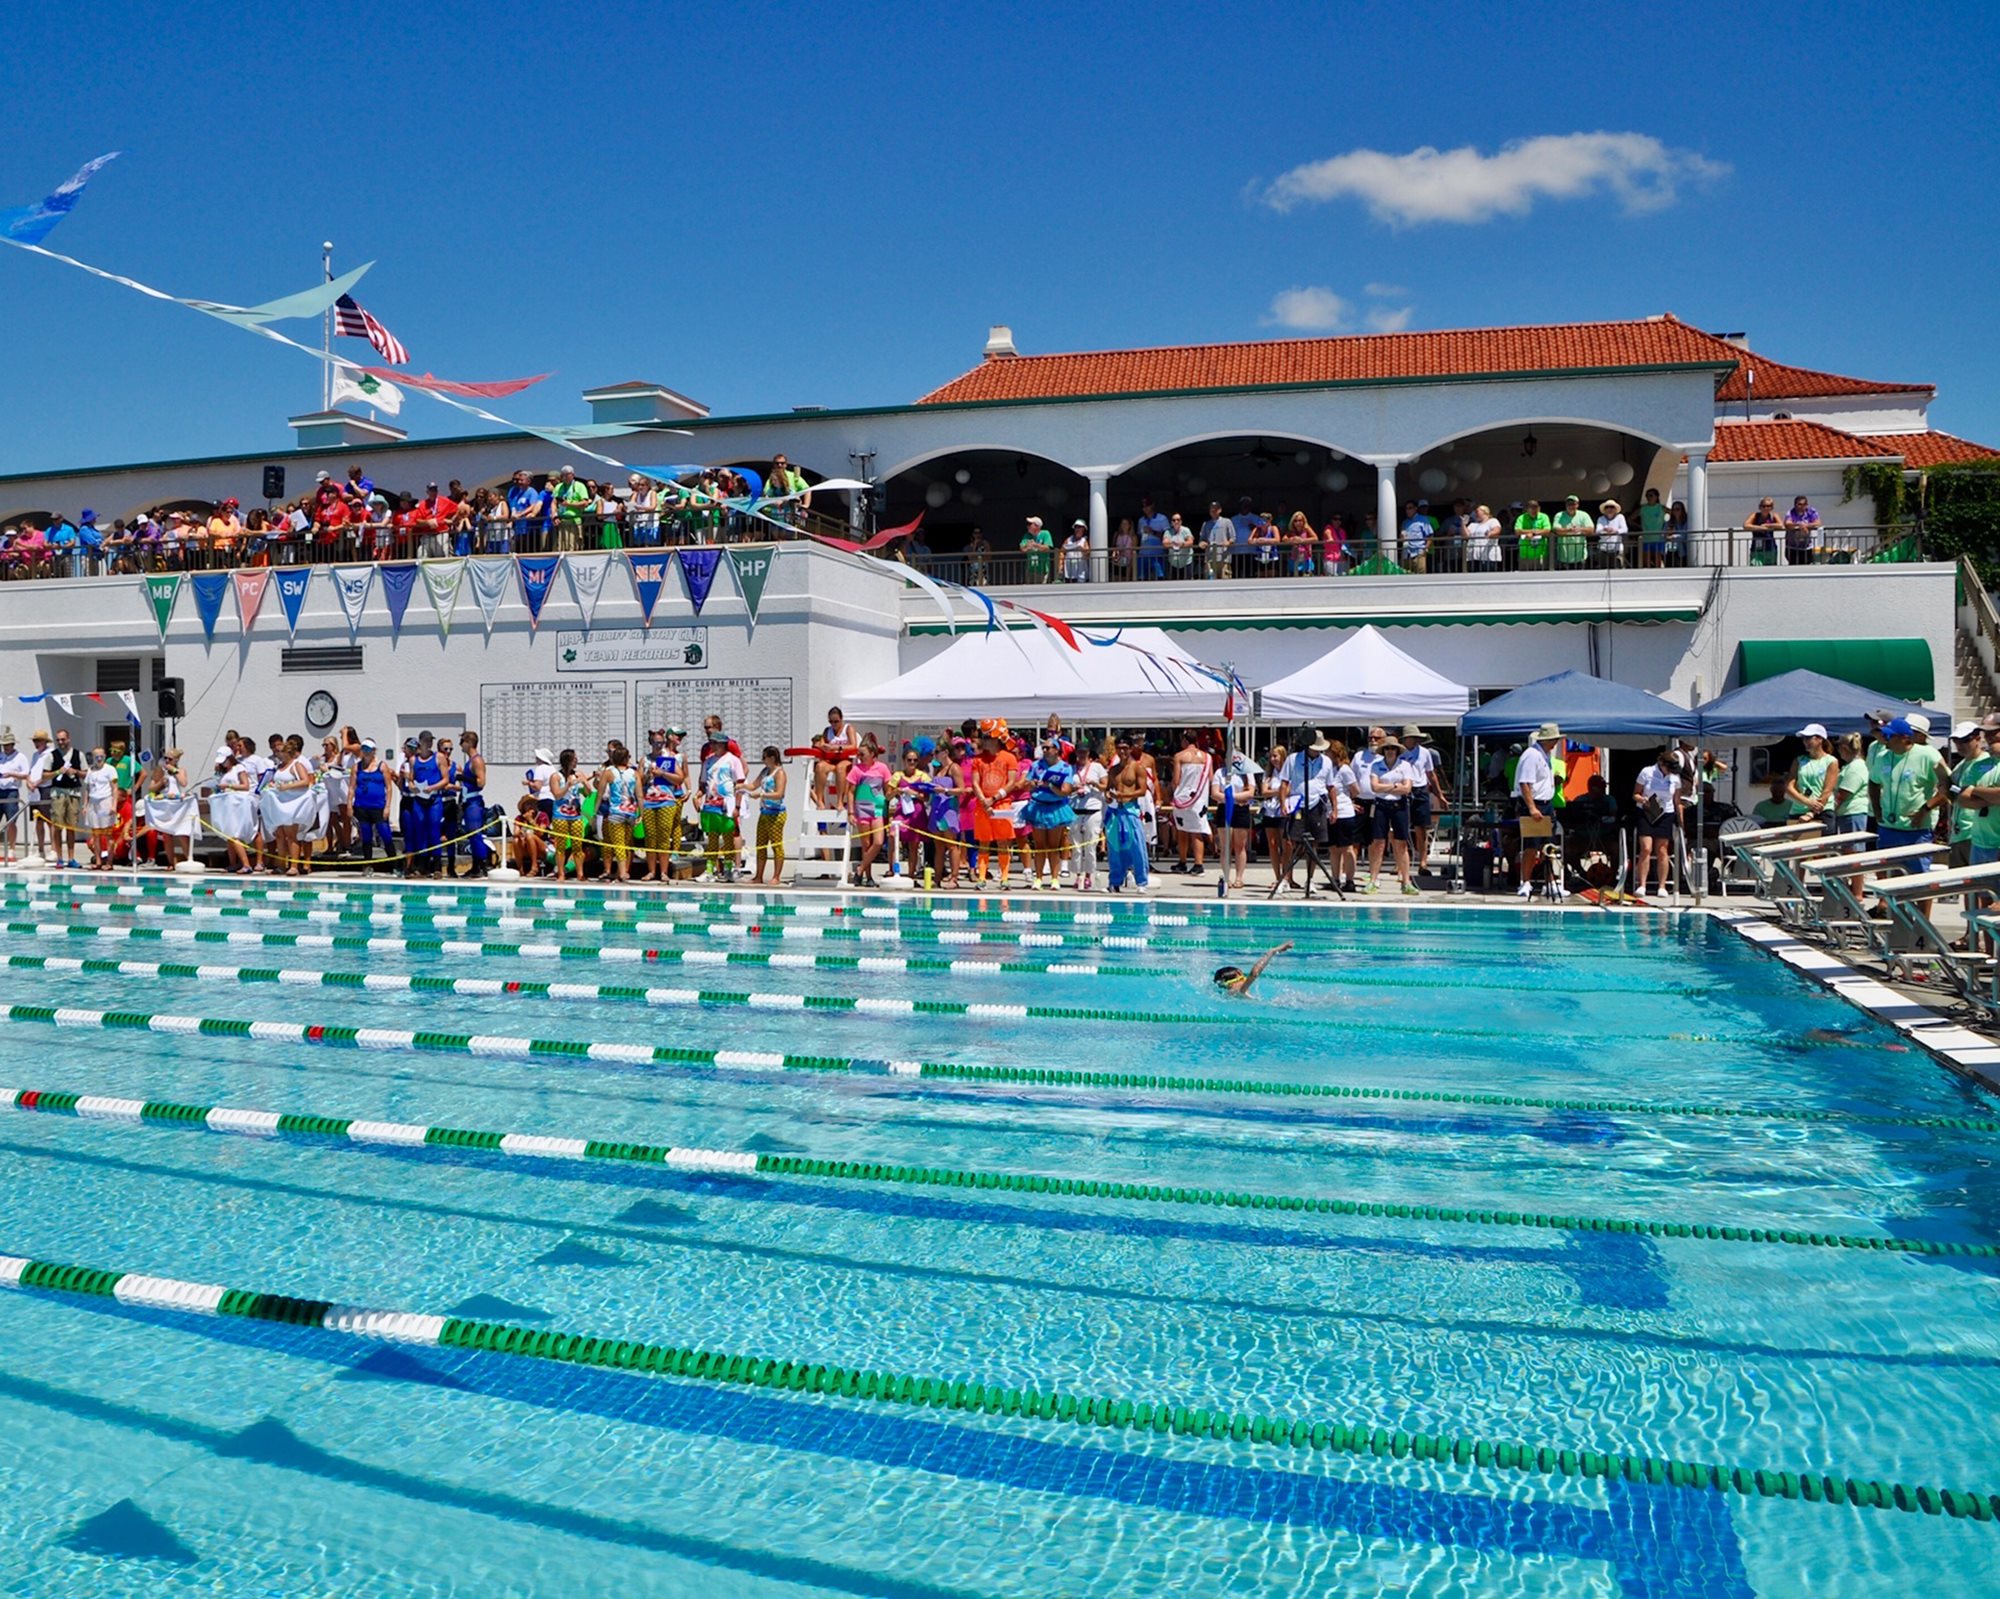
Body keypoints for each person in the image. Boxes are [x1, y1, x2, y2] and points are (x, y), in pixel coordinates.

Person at [1274, 732, 1337, 898]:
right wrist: (1282, 803)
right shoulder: (1293, 759)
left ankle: (1310, 880)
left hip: (1318, 804)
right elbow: (1284, 782)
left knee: (1313, 844)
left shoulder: (1327, 762)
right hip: (1298, 803)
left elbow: (1331, 786)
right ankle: (1285, 879)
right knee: (1289, 842)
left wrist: (1334, 809)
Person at [1019, 734, 1077, 890]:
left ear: (1056, 750)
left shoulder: (1065, 767)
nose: (1044, 750)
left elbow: (1065, 791)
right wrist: (1032, 783)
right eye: (1043, 748)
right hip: (1038, 806)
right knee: (1039, 845)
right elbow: (1026, 784)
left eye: (1048, 748)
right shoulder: (1036, 765)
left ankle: (1054, 878)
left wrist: (1050, 785)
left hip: (1056, 807)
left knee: (1053, 844)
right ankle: (1038, 878)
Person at [1364, 735, 1419, 895]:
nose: (1390, 751)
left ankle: (1406, 881)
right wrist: (1396, 786)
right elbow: (1374, 787)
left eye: (1393, 748)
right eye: (1387, 748)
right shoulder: (1376, 765)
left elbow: (1407, 789)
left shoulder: (1405, 766)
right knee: (1378, 843)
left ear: (1397, 750)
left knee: (1400, 843)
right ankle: (1373, 880)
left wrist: (1385, 786)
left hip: (1399, 805)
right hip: (1381, 805)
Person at [970, 725, 1022, 887]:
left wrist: (994, 798)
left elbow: (1012, 782)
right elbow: (974, 782)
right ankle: (982, 877)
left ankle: (1004, 877)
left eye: (987, 738)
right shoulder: (978, 759)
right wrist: (983, 800)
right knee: (983, 842)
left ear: (996, 740)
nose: (984, 741)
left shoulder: (1009, 757)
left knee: (1003, 842)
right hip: (982, 805)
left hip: (1002, 804)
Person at [1514, 722, 1562, 899]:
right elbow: (1525, 782)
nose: (1556, 742)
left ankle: (1549, 882)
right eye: (1554, 739)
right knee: (1531, 847)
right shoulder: (1532, 755)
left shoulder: (1546, 755)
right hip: (1535, 805)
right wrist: (1532, 807)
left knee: (1548, 847)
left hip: (1546, 804)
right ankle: (1525, 882)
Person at [1633, 749, 1685, 898]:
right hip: (1647, 812)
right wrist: (1643, 800)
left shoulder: (1674, 778)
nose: (1670, 772)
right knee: (1646, 849)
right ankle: (1642, 884)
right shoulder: (1647, 772)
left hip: (1665, 814)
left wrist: (1681, 821)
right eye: (1669, 769)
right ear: (1662, 764)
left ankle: (1662, 886)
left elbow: (1677, 801)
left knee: (1662, 850)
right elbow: (1635, 793)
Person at [842, 732, 890, 886]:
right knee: (866, 844)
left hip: (877, 807)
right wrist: (850, 812)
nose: (860, 756)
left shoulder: (882, 768)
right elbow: (850, 792)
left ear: (872, 754)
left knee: (878, 842)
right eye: (859, 754)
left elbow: (888, 789)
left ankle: (860, 869)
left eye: (862, 754)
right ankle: (868, 877)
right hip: (862, 808)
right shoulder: (857, 770)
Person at [1104, 737, 1150, 893]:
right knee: (1115, 848)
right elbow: (1108, 788)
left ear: (1130, 749)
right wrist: (1108, 796)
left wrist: (1123, 796)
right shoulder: (1113, 770)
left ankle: (1141, 882)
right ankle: (1115, 880)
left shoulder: (1137, 768)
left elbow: (1142, 790)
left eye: (1125, 748)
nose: (1122, 751)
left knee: (1137, 847)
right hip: (1116, 811)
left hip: (1131, 811)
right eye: (1119, 748)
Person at [1214, 744, 1262, 891]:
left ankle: (1239, 877)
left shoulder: (1247, 774)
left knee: (1239, 846)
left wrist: (1230, 797)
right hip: (1224, 809)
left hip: (1241, 810)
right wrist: (1233, 798)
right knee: (1225, 846)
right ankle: (1226, 876)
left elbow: (1250, 794)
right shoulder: (1220, 773)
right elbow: (1215, 793)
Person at [1169, 733, 1214, 875]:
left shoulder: (1180, 756)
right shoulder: (1207, 757)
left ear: (1185, 740)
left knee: (1182, 830)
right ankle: (1198, 863)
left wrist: (1172, 792)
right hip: (1200, 798)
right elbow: (1211, 778)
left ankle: (1183, 861)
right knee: (1197, 830)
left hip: (1183, 797)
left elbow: (1176, 780)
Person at [1066, 740, 1107, 891]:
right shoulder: (1071, 769)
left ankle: (1089, 875)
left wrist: (1093, 784)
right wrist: (1074, 787)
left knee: (1090, 845)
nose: (1082, 755)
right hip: (1076, 809)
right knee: (1076, 846)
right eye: (1079, 752)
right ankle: (1078, 876)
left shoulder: (1097, 767)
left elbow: (1105, 786)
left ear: (1089, 753)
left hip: (1093, 810)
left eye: (1085, 752)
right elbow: (1065, 789)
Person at [1785, 724, 1838, 829]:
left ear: (1820, 739)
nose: (1805, 741)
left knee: (1825, 845)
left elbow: (1827, 791)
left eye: (1809, 738)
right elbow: (1789, 786)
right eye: (1804, 738)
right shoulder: (1799, 760)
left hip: (1822, 812)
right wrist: (1807, 801)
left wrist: (1811, 813)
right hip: (1798, 811)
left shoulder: (1831, 761)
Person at [749, 746, 788, 884]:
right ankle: (758, 876)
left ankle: (776, 876)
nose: (762, 760)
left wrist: (761, 794)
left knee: (776, 845)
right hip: (764, 813)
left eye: (764, 757)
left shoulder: (780, 773)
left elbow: (779, 794)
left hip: (776, 814)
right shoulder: (765, 771)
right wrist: (740, 786)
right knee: (761, 845)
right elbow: (754, 785)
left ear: (772, 758)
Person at [811, 706, 858, 807]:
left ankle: (840, 800)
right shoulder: (827, 731)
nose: (833, 724)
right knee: (820, 767)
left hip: (845, 759)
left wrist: (836, 747)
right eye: (831, 721)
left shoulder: (848, 728)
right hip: (831, 760)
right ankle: (819, 800)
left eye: (836, 721)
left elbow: (853, 745)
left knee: (841, 768)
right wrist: (822, 746)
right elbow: (822, 744)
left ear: (841, 719)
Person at [1831, 732, 1872, 849]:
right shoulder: (1850, 766)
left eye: (1839, 747)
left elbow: (1842, 795)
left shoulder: (1855, 767)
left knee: (1854, 850)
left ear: (1844, 748)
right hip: (1847, 813)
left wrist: (1829, 809)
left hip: (1853, 814)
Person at [82, 747, 119, 869]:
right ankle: (98, 861)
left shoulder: (110, 770)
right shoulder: (90, 771)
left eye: (101, 756)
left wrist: (114, 805)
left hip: (105, 801)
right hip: (93, 802)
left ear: (104, 756)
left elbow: (114, 788)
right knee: (95, 834)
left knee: (108, 834)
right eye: (96, 757)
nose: (99, 759)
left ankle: (109, 862)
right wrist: (85, 805)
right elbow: (87, 789)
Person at [1212, 941, 1293, 996]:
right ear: (1238, 974)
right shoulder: (1239, 990)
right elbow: (1254, 973)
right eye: (1243, 976)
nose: (1245, 979)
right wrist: (1272, 951)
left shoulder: (1229, 994)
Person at [1552, 495, 1593, 568]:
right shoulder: (1559, 515)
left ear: (1577, 505)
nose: (1571, 506)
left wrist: (1579, 529)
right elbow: (1556, 530)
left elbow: (1591, 530)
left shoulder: (1584, 515)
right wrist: (1569, 530)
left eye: (1573, 504)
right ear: (1566, 505)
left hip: (1580, 557)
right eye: (1569, 504)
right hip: (1564, 557)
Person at [1200, 502, 1236, 579]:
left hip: (1224, 557)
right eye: (1211, 510)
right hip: (1210, 558)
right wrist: (1202, 543)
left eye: (1215, 509)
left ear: (1220, 510)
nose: (1213, 511)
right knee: (1210, 580)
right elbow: (1202, 539)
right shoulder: (1206, 524)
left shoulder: (1227, 522)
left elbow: (1233, 537)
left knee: (1225, 579)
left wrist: (1228, 542)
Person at [1783, 495, 1821, 565]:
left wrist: (1805, 525)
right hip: (1792, 546)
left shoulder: (1811, 511)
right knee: (1793, 566)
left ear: (1807, 505)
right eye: (1799, 504)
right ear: (1795, 505)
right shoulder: (1791, 512)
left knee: (1807, 566)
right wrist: (1799, 525)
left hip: (1806, 546)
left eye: (1804, 504)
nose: (1801, 507)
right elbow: (1787, 523)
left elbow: (1817, 523)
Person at [1744, 498, 1782, 565]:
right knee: (1755, 566)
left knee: (1770, 568)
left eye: (1768, 506)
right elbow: (1746, 525)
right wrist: (1760, 528)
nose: (1765, 508)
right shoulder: (1755, 515)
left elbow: (1781, 525)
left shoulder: (1773, 516)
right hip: (1756, 548)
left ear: (1772, 507)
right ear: (1760, 507)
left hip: (1770, 547)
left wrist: (1768, 525)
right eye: (1763, 506)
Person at [1513, 500, 1551, 569]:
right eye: (1531, 508)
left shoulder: (1544, 517)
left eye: (1535, 508)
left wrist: (1533, 533)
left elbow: (1547, 530)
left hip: (1541, 554)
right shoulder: (1521, 518)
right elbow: (1517, 531)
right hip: (1524, 554)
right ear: (1527, 509)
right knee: (1524, 577)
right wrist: (1531, 531)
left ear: (1539, 508)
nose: (1533, 510)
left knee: (1541, 576)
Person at [1638, 487, 1669, 568]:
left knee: (1657, 560)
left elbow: (1674, 513)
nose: (1648, 497)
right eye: (1647, 496)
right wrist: (1640, 527)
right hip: (1646, 538)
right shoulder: (1643, 509)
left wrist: (1667, 526)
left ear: (1656, 497)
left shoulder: (1661, 508)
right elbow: (1630, 519)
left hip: (1658, 538)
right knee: (1646, 561)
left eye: (1651, 495)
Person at [1019, 516, 1054, 583]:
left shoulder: (1045, 533)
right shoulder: (1027, 535)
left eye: (1030, 524)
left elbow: (1047, 547)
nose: (1028, 526)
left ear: (1037, 526)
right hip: (1030, 569)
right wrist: (1027, 546)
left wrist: (1035, 545)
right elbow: (1022, 548)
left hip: (1042, 569)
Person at [1399, 502, 1431, 573]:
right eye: (1406, 508)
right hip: (1406, 553)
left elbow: (1429, 536)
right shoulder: (1405, 522)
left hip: (1418, 553)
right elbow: (1402, 537)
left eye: (1410, 508)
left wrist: (1425, 550)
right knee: (1406, 576)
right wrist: (1401, 537)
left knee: (1420, 577)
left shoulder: (1423, 520)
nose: (1407, 510)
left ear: (1415, 508)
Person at [1594, 500, 1627, 569]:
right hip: (1603, 548)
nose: (1609, 509)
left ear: (1615, 509)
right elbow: (1598, 530)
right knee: (1603, 569)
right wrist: (1605, 530)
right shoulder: (1601, 519)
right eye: (1607, 507)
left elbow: (1625, 529)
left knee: (1617, 569)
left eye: (1612, 507)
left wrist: (1615, 531)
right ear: (1605, 510)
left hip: (1617, 549)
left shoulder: (1620, 517)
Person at [1467, 504, 1502, 569]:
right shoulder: (1473, 524)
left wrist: (1490, 533)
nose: (1475, 513)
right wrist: (1463, 524)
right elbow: (1466, 535)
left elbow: (1497, 530)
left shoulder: (1493, 521)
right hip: (1474, 556)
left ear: (1484, 512)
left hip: (1488, 556)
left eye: (1477, 511)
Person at [1164, 513, 1197, 579]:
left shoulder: (1186, 530)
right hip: (1173, 563)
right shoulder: (1168, 532)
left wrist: (1183, 544)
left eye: (1178, 520)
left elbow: (1190, 541)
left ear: (1181, 521)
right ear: (1171, 522)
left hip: (1186, 562)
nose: (1176, 522)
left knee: (1187, 583)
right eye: (1174, 520)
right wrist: (1174, 544)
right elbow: (1165, 543)